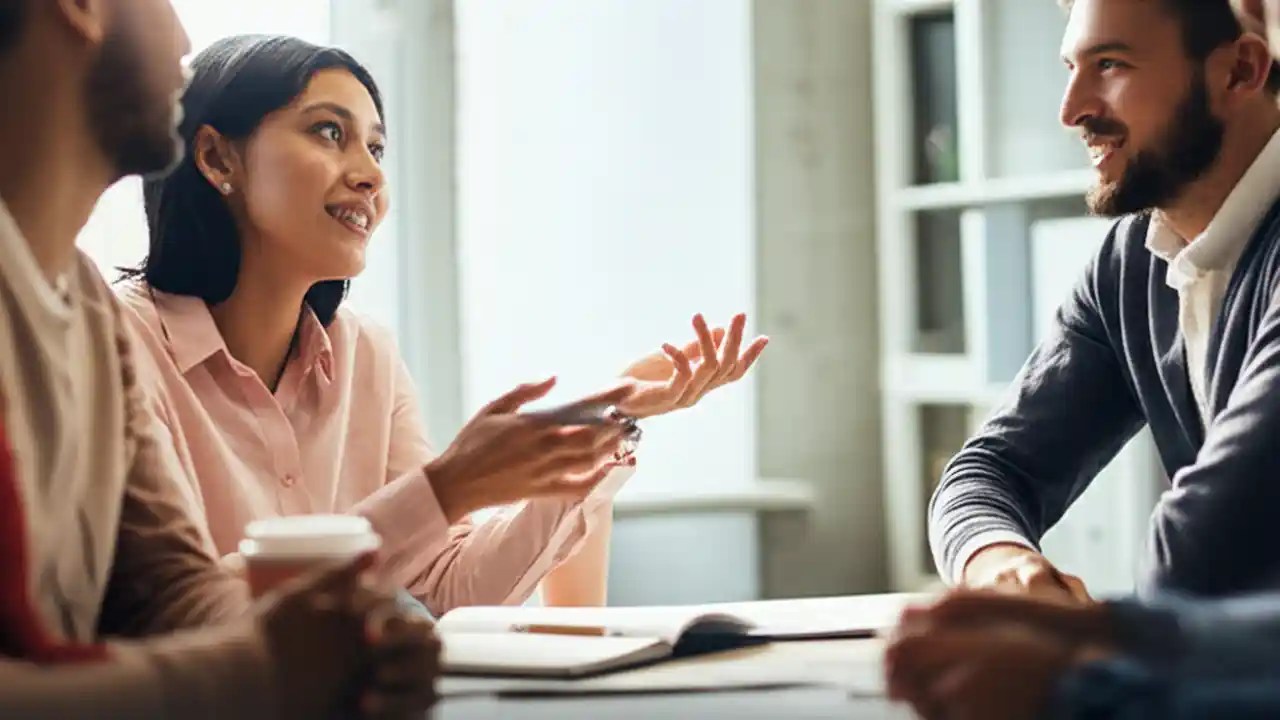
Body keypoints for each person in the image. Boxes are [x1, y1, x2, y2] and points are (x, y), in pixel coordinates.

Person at [117, 33, 769, 616]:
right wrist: (446, 488)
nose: (372, 175)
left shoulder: (365, 354)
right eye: (327, 132)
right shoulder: (121, 349)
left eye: (377, 147)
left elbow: (453, 584)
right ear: (217, 159)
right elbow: (181, 608)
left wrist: (600, 425)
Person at [0, 1, 436, 718]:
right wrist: (258, 669)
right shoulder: (133, 328)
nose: (181, 37)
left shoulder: (86, 310)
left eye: (376, 148)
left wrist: (339, 642)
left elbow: (171, 591)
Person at [929, 0, 1280, 602]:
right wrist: (1004, 568)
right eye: (1071, 66)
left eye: (1111, 64)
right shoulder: (1134, 259)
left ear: (1239, 71)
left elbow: (1202, 558)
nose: (1073, 110)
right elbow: (989, 472)